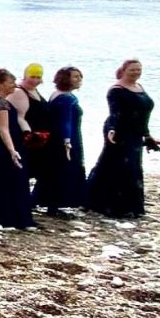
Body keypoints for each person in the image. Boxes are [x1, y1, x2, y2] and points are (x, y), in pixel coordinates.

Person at [86, 59, 160, 218]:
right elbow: (115, 112)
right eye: (132, 70)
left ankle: (131, 206)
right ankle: (105, 204)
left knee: (134, 166)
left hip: (136, 132)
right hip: (119, 131)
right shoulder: (116, 90)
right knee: (117, 165)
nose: (136, 72)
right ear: (123, 71)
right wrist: (112, 130)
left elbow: (143, 116)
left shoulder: (139, 87)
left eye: (138, 69)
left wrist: (148, 136)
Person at [10, 62, 66, 218]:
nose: (35, 80)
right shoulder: (19, 92)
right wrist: (28, 133)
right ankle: (23, 203)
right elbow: (19, 117)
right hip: (32, 139)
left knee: (49, 171)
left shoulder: (34, 91)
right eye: (32, 77)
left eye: (38, 77)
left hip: (45, 137)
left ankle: (47, 204)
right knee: (29, 170)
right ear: (25, 76)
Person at [0, 69, 36, 230]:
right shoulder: (1, 102)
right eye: (10, 82)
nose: (14, 85)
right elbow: (3, 129)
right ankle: (11, 217)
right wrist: (12, 150)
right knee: (11, 179)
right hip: (3, 145)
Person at [49, 67, 88, 212]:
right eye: (75, 77)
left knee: (57, 169)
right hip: (68, 137)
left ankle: (53, 202)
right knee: (67, 168)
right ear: (65, 79)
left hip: (57, 136)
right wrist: (67, 141)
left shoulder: (56, 94)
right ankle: (61, 201)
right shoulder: (67, 98)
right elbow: (66, 121)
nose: (79, 80)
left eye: (80, 76)